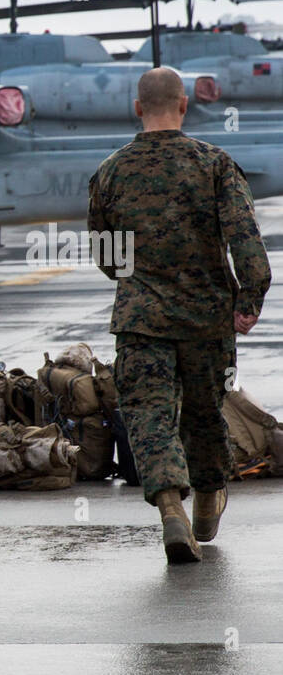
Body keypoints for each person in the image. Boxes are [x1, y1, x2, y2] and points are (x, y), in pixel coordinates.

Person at [88, 66, 271, 563]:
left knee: (149, 415)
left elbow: (109, 260)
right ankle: (210, 496)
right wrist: (249, 300)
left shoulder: (110, 172)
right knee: (205, 411)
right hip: (206, 320)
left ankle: (172, 508)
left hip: (140, 319)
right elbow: (246, 243)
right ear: (184, 105)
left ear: (137, 107)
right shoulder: (214, 164)